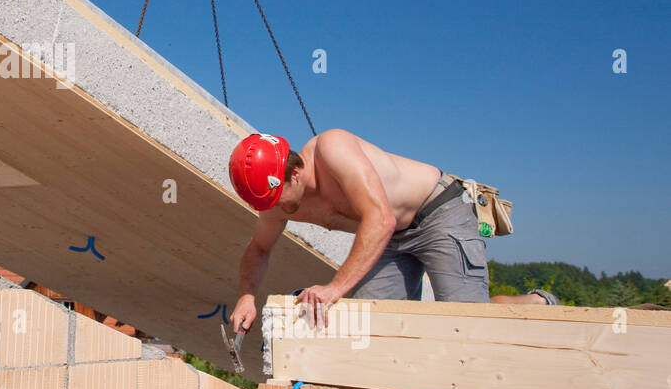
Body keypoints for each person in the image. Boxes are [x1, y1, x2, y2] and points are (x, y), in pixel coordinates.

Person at [227, 129, 556, 336]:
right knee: (376, 330)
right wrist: (246, 297)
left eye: (274, 198)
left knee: (467, 323)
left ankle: (536, 303)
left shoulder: (333, 149)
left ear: (295, 172)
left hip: (436, 210)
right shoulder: (274, 199)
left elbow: (379, 217)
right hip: (389, 236)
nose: (272, 208)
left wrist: (333, 288)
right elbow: (259, 249)